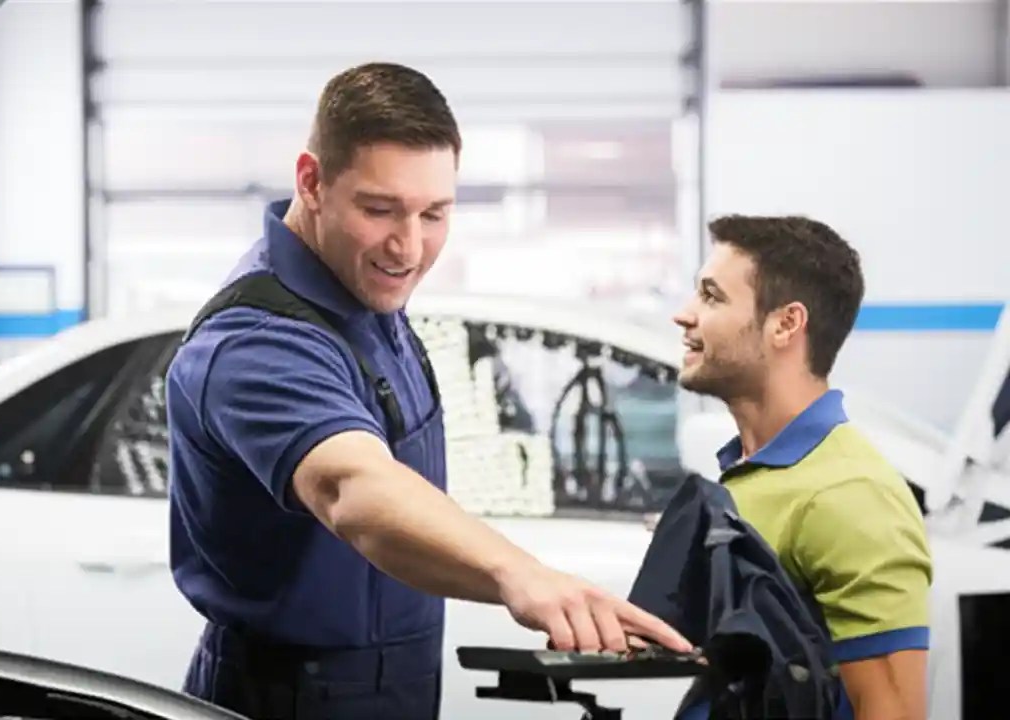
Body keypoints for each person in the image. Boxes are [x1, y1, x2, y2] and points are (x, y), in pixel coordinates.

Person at [164, 61, 691, 720]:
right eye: (379, 209)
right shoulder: (259, 341)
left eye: (435, 213)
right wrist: (519, 573)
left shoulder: (356, 292)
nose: (409, 247)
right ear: (311, 181)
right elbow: (354, 488)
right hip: (290, 698)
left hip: (391, 685)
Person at [672, 215, 933, 719]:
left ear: (786, 323)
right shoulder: (752, 475)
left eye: (711, 297)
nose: (685, 315)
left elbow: (892, 711)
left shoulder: (849, 492)